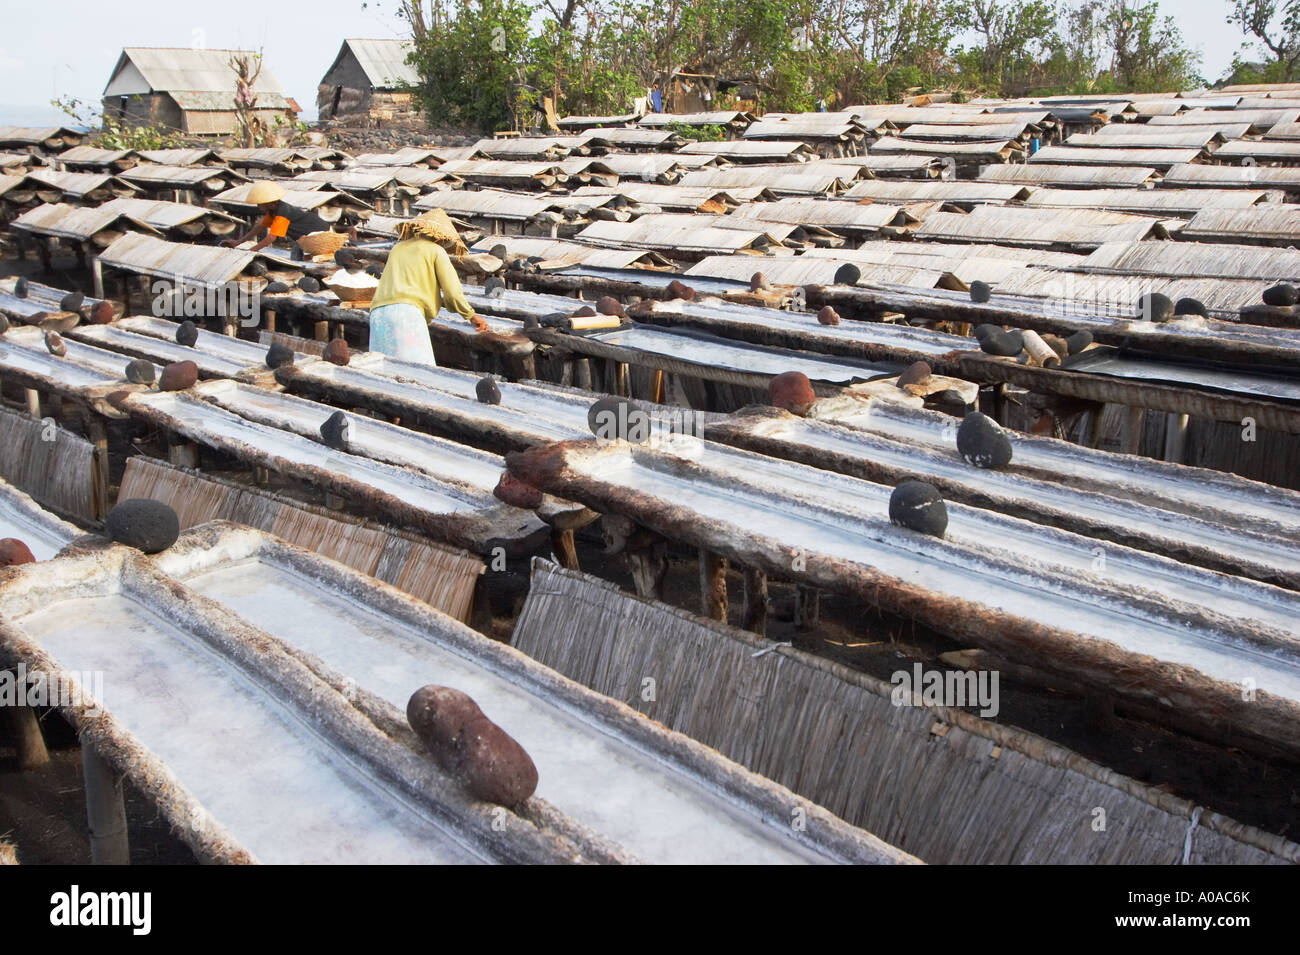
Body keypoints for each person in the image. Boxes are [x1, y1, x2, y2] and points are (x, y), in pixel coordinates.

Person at [367, 208, 489, 365]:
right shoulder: (436, 250)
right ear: (441, 237)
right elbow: (452, 293)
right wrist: (471, 316)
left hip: (378, 313)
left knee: (383, 373)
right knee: (418, 372)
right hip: (406, 315)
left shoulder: (397, 248)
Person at [221, 181, 334, 252]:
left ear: (271, 203)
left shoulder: (282, 212)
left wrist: (251, 251)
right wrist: (239, 242)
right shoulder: (273, 211)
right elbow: (259, 227)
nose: (258, 205)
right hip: (308, 237)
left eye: (261, 203)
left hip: (320, 234)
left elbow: (271, 238)